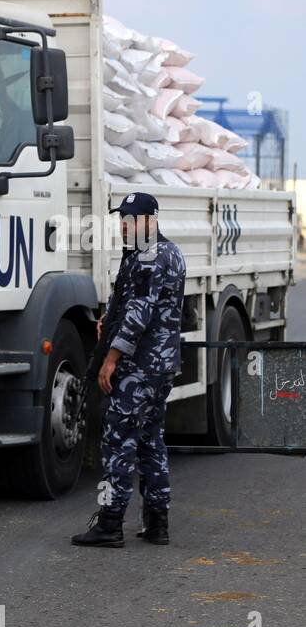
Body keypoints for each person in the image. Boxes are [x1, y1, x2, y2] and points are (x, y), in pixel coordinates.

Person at [73, 192, 186, 548]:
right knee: (151, 441)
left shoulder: (150, 256)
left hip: (139, 367)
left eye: (130, 218)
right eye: (121, 218)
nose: (123, 225)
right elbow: (135, 305)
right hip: (160, 366)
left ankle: (109, 524)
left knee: (118, 441)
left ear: (150, 219)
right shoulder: (163, 252)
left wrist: (111, 359)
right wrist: (109, 321)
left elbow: (140, 314)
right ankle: (157, 523)